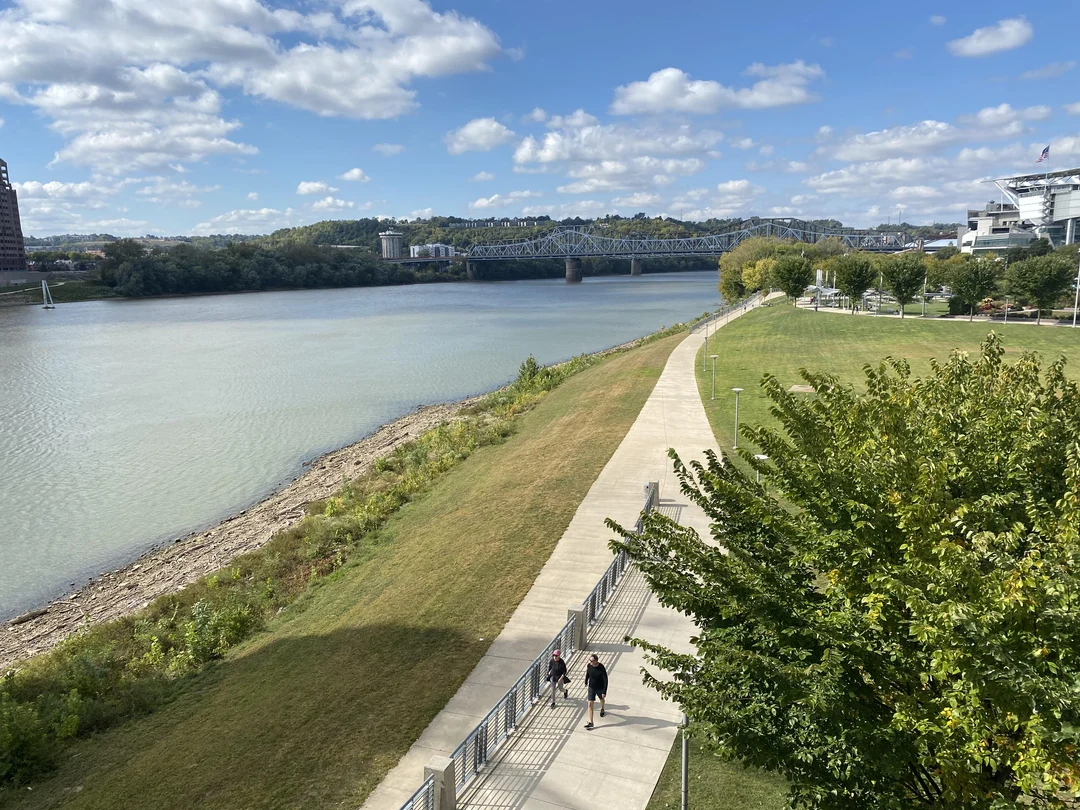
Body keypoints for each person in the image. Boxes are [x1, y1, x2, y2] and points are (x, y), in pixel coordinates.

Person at [583, 654, 608, 730]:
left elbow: (605, 679)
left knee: (601, 699)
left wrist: (604, 691)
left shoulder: (601, 668)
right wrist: (586, 681)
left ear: (596, 661)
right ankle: (591, 722)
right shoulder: (589, 665)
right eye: (589, 660)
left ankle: (602, 708)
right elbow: (588, 673)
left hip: (600, 687)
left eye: (591, 661)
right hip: (591, 687)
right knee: (590, 704)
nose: (590, 662)